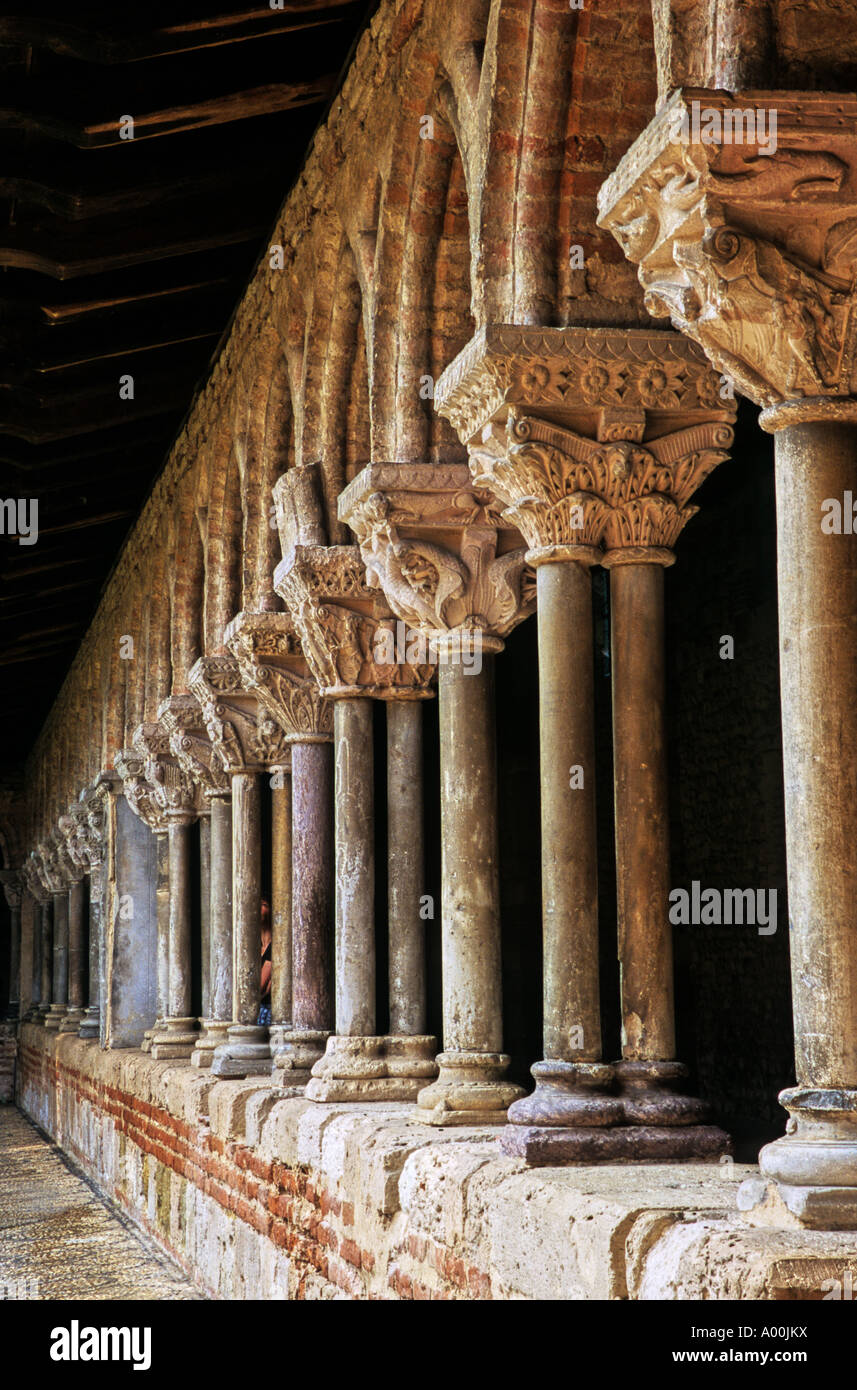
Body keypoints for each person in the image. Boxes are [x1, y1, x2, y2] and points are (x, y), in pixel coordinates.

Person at [258, 898, 272, 1027]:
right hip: (258, 1008)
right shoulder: (255, 946)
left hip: (269, 1010)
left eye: (263, 904)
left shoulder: (275, 945)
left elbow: (259, 987)